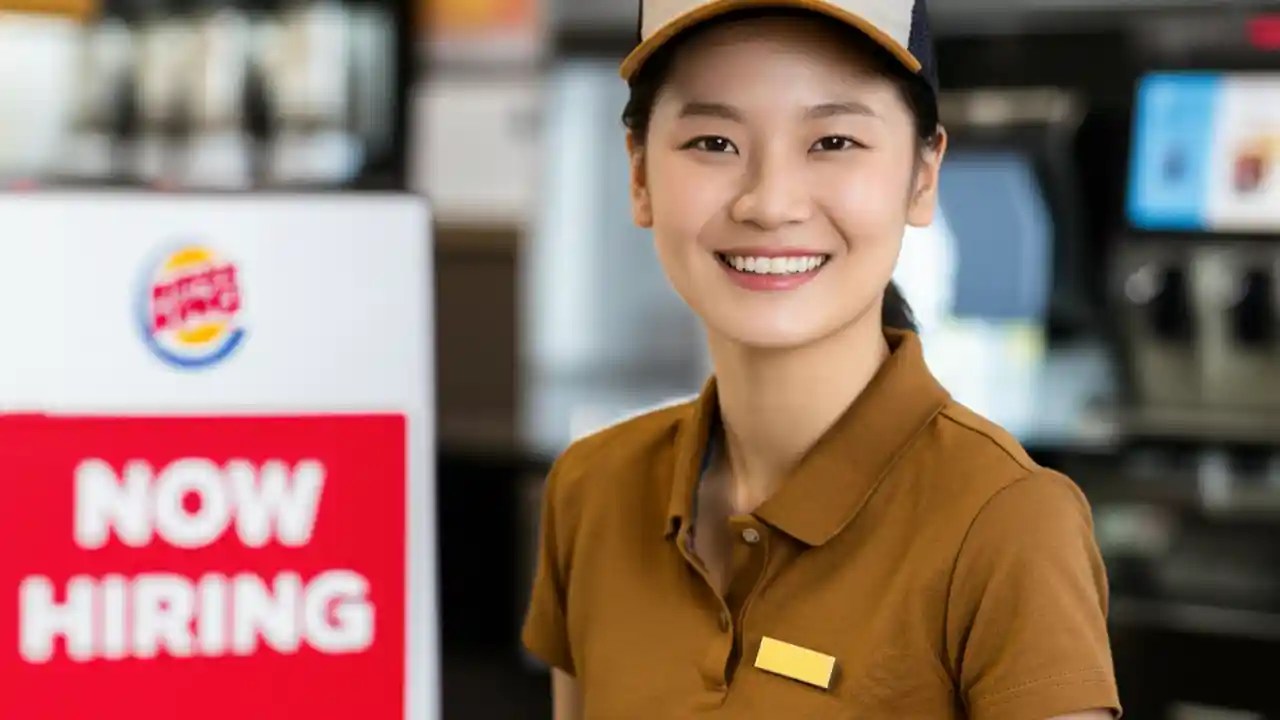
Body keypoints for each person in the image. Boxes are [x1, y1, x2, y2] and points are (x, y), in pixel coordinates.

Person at [522, 1, 1121, 718]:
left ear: (924, 174)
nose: (770, 204)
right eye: (713, 142)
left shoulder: (1007, 523)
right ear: (640, 175)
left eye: (833, 141)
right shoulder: (591, 491)